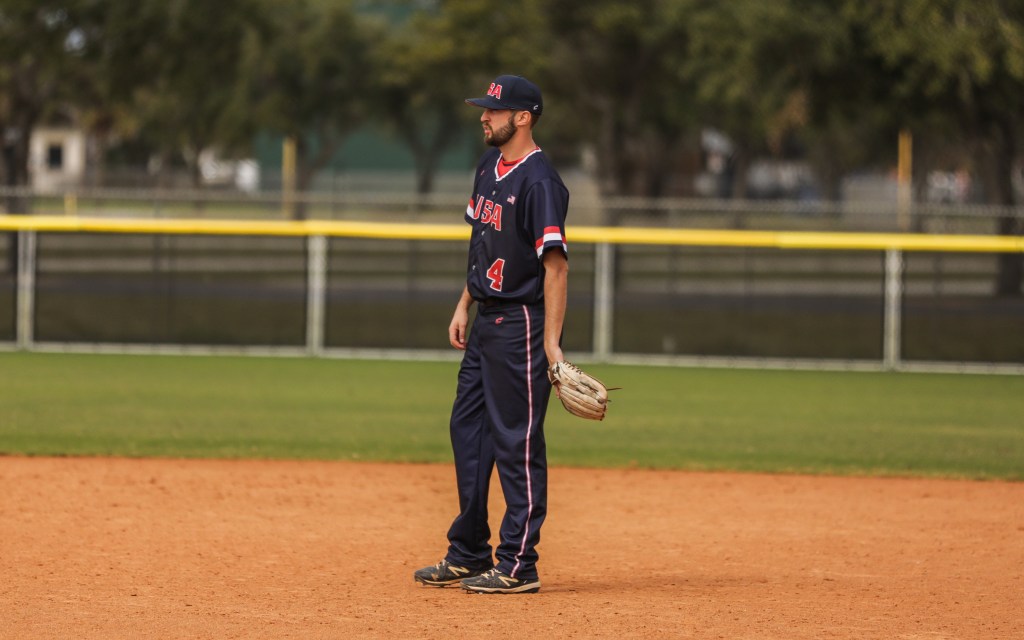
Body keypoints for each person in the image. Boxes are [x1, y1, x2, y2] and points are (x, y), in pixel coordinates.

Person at [414, 75, 569, 595]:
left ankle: (518, 564)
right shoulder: (488, 167)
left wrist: (551, 344)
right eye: (484, 109)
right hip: (485, 323)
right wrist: (464, 304)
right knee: (469, 432)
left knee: (516, 441)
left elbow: (556, 268)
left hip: (521, 324)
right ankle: (469, 550)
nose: (484, 116)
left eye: (494, 110)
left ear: (523, 117)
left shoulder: (540, 182)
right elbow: (483, 243)